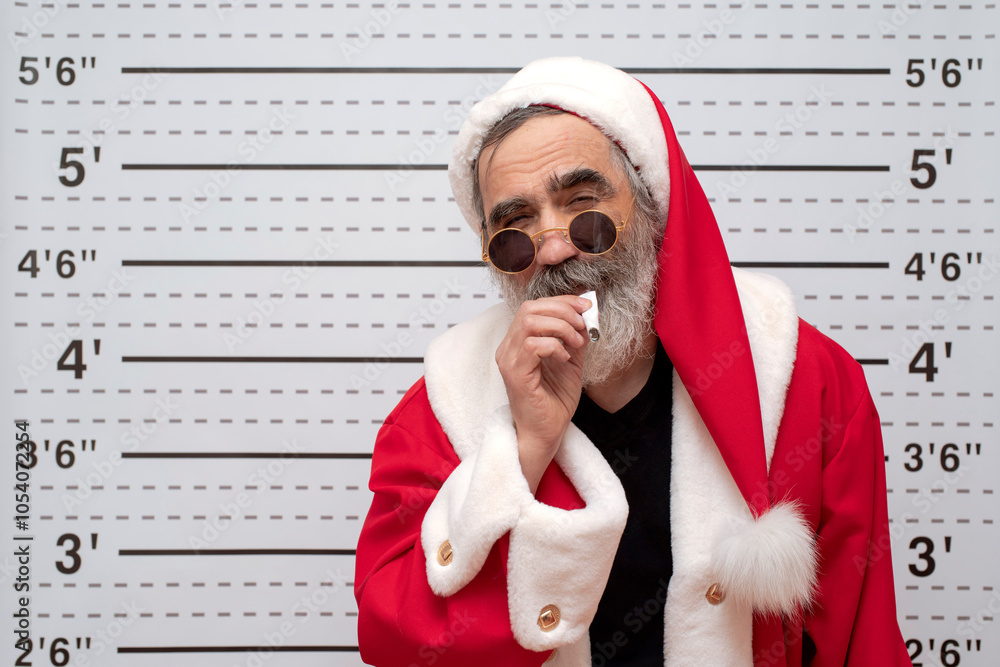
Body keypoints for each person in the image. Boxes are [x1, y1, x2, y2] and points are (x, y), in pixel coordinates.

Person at [354, 56, 911, 666]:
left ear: (651, 203)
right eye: (515, 227)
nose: (556, 248)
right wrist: (523, 447)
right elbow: (400, 642)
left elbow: (861, 639)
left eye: (584, 204)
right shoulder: (441, 407)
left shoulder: (807, 380)